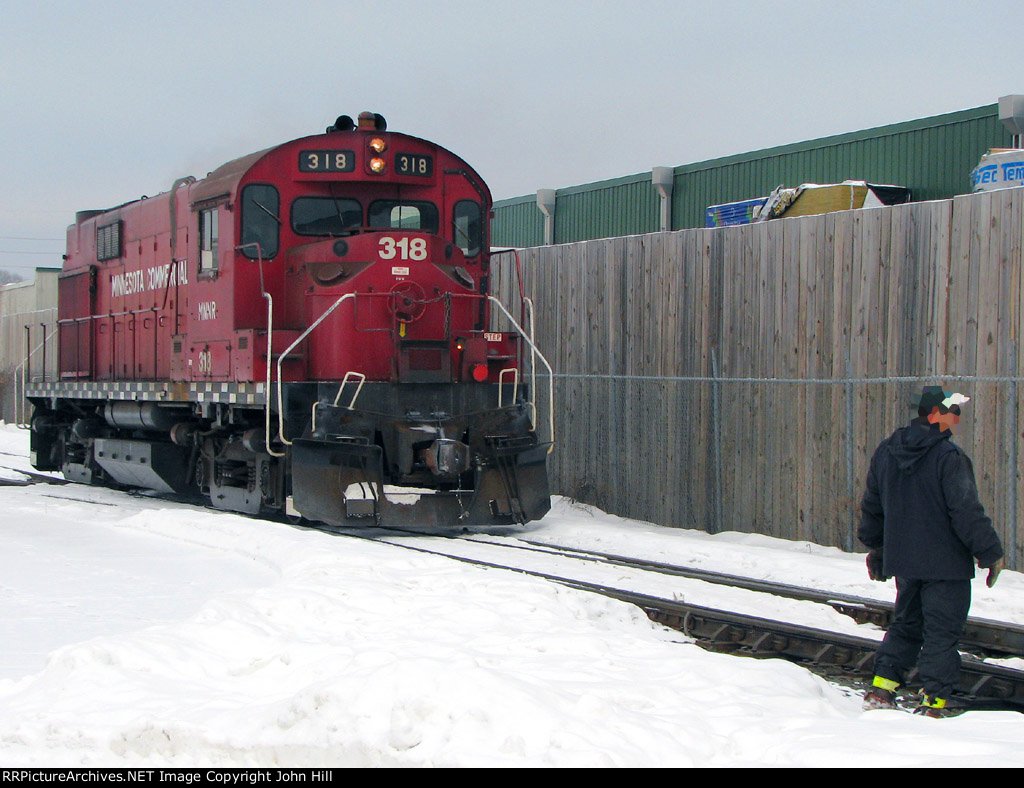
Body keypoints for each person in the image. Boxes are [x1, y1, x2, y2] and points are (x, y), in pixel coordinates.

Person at [859, 385, 1005, 717]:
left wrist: (878, 548)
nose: (957, 419)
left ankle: (881, 689)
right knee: (941, 633)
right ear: (935, 415)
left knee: (906, 624)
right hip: (945, 565)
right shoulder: (948, 457)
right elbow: (965, 511)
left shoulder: (887, 452)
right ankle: (934, 702)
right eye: (953, 412)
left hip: (906, 562)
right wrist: (990, 552)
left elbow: (872, 506)